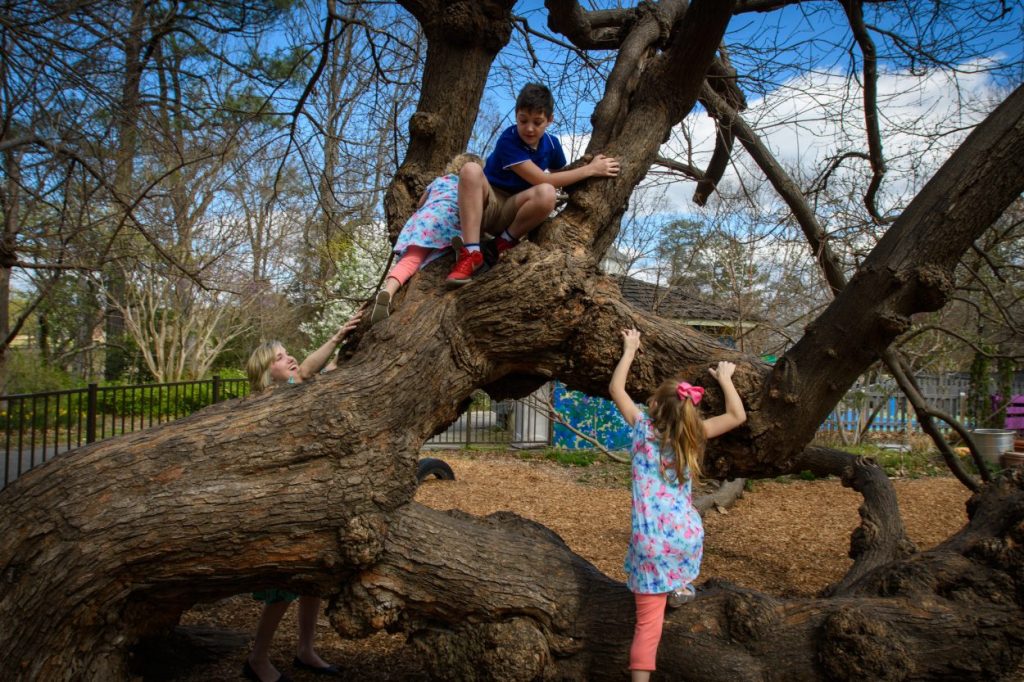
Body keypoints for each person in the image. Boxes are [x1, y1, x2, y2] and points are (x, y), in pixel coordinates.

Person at [608, 328, 746, 682]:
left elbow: (616, 390)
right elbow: (736, 417)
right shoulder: (692, 435)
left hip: (651, 544)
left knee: (647, 629)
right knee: (679, 566)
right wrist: (726, 378)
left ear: (654, 406)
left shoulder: (642, 429)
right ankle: (680, 586)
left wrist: (630, 349)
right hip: (685, 536)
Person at [241, 310, 362, 681]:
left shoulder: (297, 386)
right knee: (282, 587)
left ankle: (305, 649)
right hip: (282, 505)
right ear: (266, 372)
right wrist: (337, 334)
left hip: (310, 495)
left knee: (311, 579)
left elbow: (324, 371)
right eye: (279, 357)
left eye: (287, 352)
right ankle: (257, 659)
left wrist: (350, 343)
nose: (289, 358)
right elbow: (309, 371)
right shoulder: (273, 398)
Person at [445, 82, 620, 286]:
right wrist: (590, 170)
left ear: (549, 120)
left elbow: (559, 178)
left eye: (537, 122)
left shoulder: (553, 145)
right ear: (516, 116)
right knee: (470, 170)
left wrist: (586, 172)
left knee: (547, 194)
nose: (529, 128)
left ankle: (503, 242)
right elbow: (543, 179)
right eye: (523, 121)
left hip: (515, 209)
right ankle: (472, 253)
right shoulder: (508, 140)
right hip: (487, 205)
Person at [371, 153, 484, 324]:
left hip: (424, 222)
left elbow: (420, 204)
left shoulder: (439, 181)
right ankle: (460, 248)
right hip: (450, 218)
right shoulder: (469, 186)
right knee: (468, 227)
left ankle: (388, 291)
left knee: (410, 260)